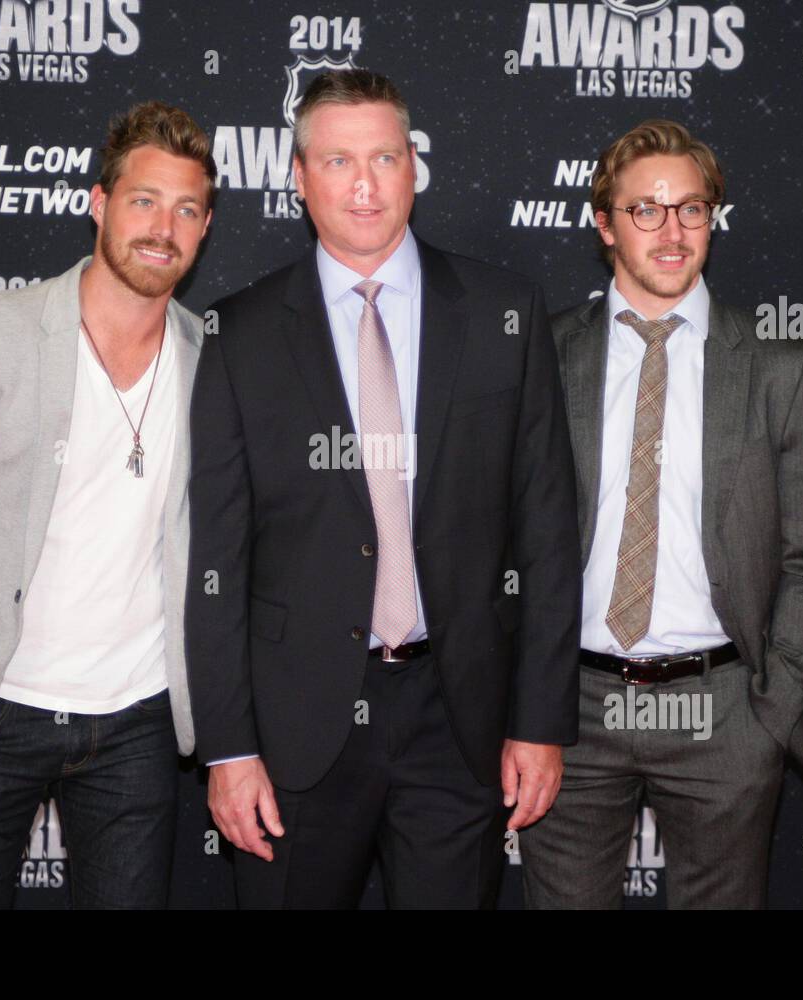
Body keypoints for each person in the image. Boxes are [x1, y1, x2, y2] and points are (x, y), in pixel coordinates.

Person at [186, 68, 580, 909]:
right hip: (295, 732)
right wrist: (226, 749)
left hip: (461, 720)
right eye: (336, 161)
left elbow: (546, 532)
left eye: (384, 157)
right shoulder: (239, 335)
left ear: (414, 166)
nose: (363, 184)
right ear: (298, 177)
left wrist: (542, 722)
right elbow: (214, 560)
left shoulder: (504, 313)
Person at [0, 101, 214, 908]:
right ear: (98, 205)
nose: (163, 226)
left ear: (202, 230)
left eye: (187, 209)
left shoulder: (208, 358)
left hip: (137, 721)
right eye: (143, 200)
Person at [521, 119, 803, 908]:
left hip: (725, 714)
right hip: (570, 715)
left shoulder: (777, 368)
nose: (672, 231)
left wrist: (772, 712)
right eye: (647, 211)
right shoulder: (544, 355)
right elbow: (502, 540)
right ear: (605, 224)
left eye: (691, 209)